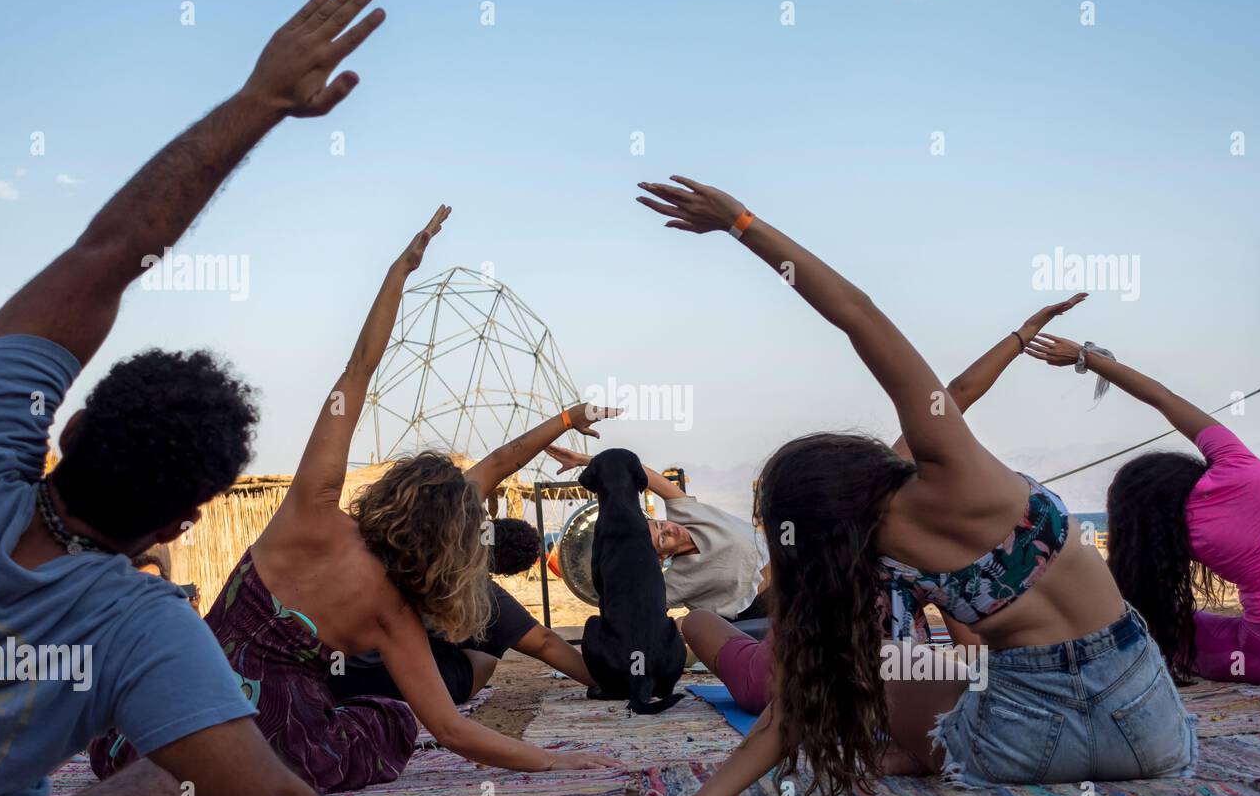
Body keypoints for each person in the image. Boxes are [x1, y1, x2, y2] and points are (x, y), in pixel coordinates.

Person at [610, 177, 1195, 796]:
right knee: (927, 661)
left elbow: (791, 710)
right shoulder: (955, 471)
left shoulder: (864, 560)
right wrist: (742, 222)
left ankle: (907, 756)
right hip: (1148, 732)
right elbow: (859, 315)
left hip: (1023, 749)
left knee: (890, 667)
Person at [0, 0, 387, 796]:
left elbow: (104, 256)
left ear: (70, 429)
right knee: (202, 781)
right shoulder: (138, 623)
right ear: (185, 518)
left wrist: (260, 102)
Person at [91, 208, 621, 792]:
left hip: (172, 716)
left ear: (395, 494)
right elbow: (452, 731)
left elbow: (358, 369)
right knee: (391, 719)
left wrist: (399, 271)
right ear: (454, 549)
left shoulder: (311, 512)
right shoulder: (392, 614)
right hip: (268, 753)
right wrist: (557, 762)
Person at [647, 294, 1089, 717]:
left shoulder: (804, 541)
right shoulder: (895, 514)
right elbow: (956, 394)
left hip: (777, 688)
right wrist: (1023, 333)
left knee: (700, 622)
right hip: (884, 691)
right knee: (946, 604)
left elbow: (954, 392)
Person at [1026, 333, 1260, 684]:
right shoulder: (1236, 461)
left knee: (1149, 619)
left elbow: (1134, 593)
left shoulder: (1182, 533)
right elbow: (1162, 397)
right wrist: (1085, 357)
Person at [329, 517, 599, 704]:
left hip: (333, 674)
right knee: (484, 652)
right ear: (505, 571)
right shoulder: (479, 591)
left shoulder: (399, 539)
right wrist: (604, 681)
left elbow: (498, 461)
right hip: (396, 683)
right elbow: (543, 642)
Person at [545, 445, 770, 626]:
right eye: (663, 539)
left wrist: (586, 460)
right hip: (759, 606)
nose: (670, 529)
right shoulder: (674, 582)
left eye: (661, 525)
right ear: (660, 558)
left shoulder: (688, 515)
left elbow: (637, 470)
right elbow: (636, 608)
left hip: (782, 560)